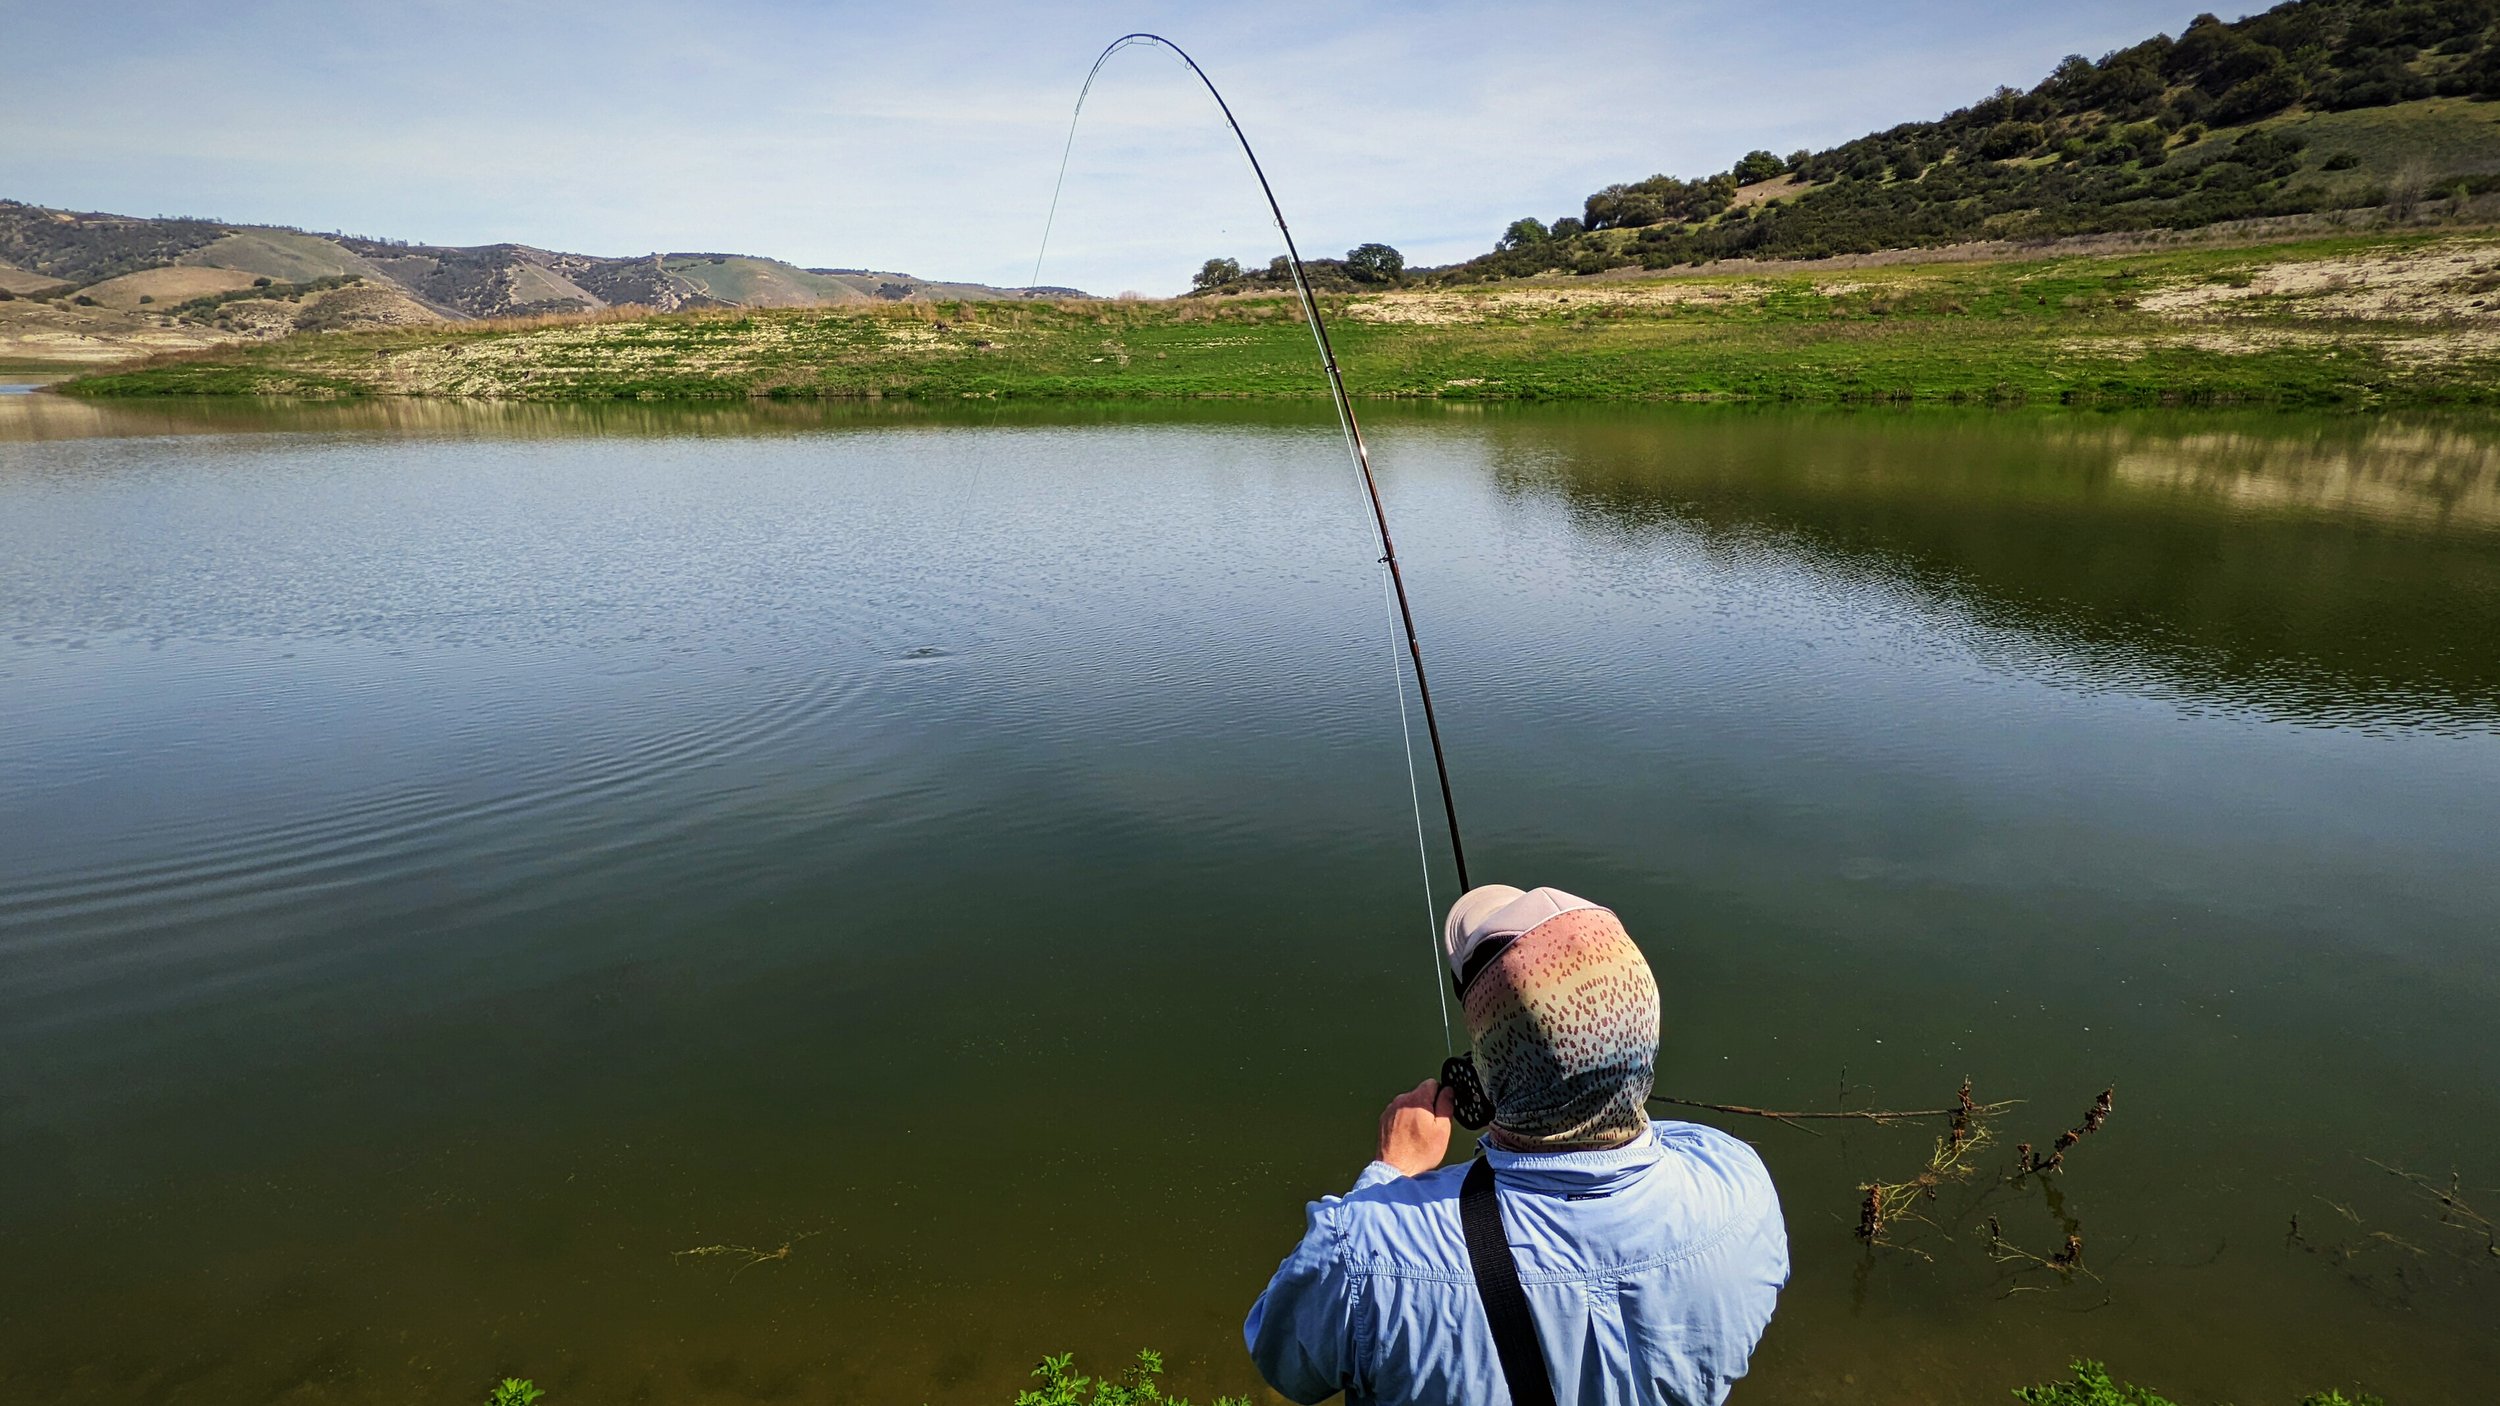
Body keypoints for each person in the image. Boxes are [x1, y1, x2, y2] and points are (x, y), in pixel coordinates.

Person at [1244, 885, 1789, 1406]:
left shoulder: (1369, 1249)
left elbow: (1282, 1361)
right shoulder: (1742, 1189)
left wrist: (1392, 1175)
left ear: (1486, 1070)